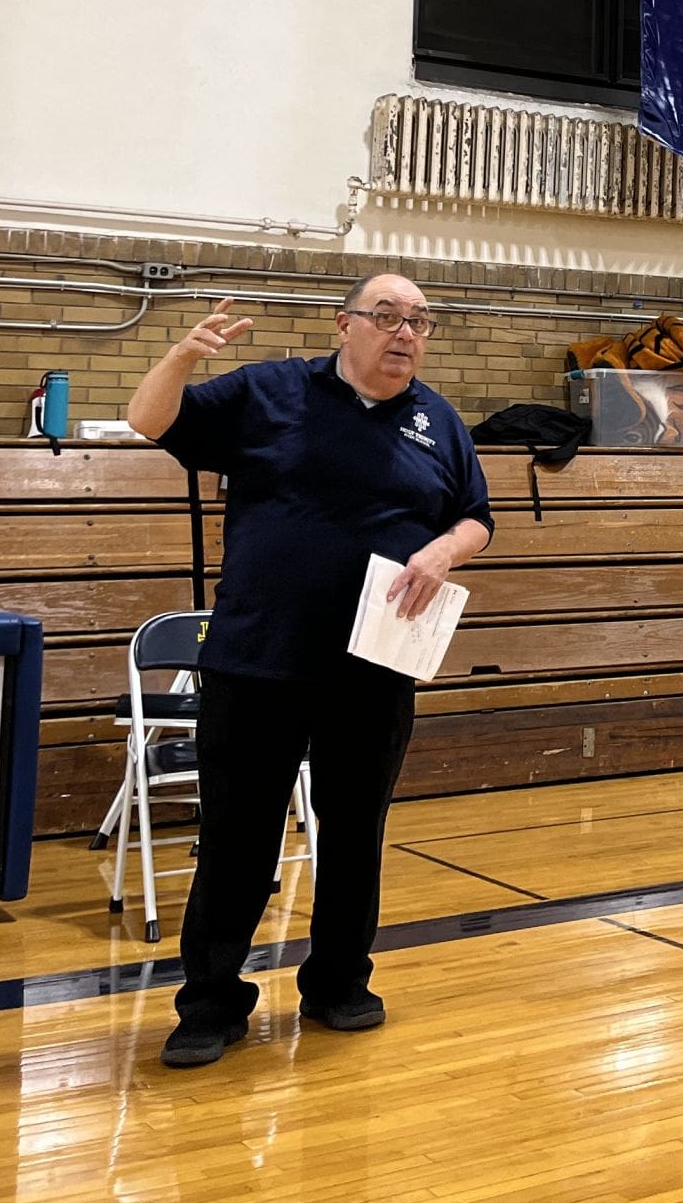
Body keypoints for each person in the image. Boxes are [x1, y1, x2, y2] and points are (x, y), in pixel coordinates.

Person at [126, 272, 493, 1069]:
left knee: (355, 831)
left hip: (374, 664)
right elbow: (149, 422)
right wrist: (184, 356)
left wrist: (443, 549)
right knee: (237, 838)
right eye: (389, 317)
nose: (406, 333)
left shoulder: (437, 419)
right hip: (258, 658)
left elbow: (476, 516)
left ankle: (338, 984)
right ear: (345, 325)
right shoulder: (269, 391)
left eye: (421, 322)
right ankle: (212, 1004)